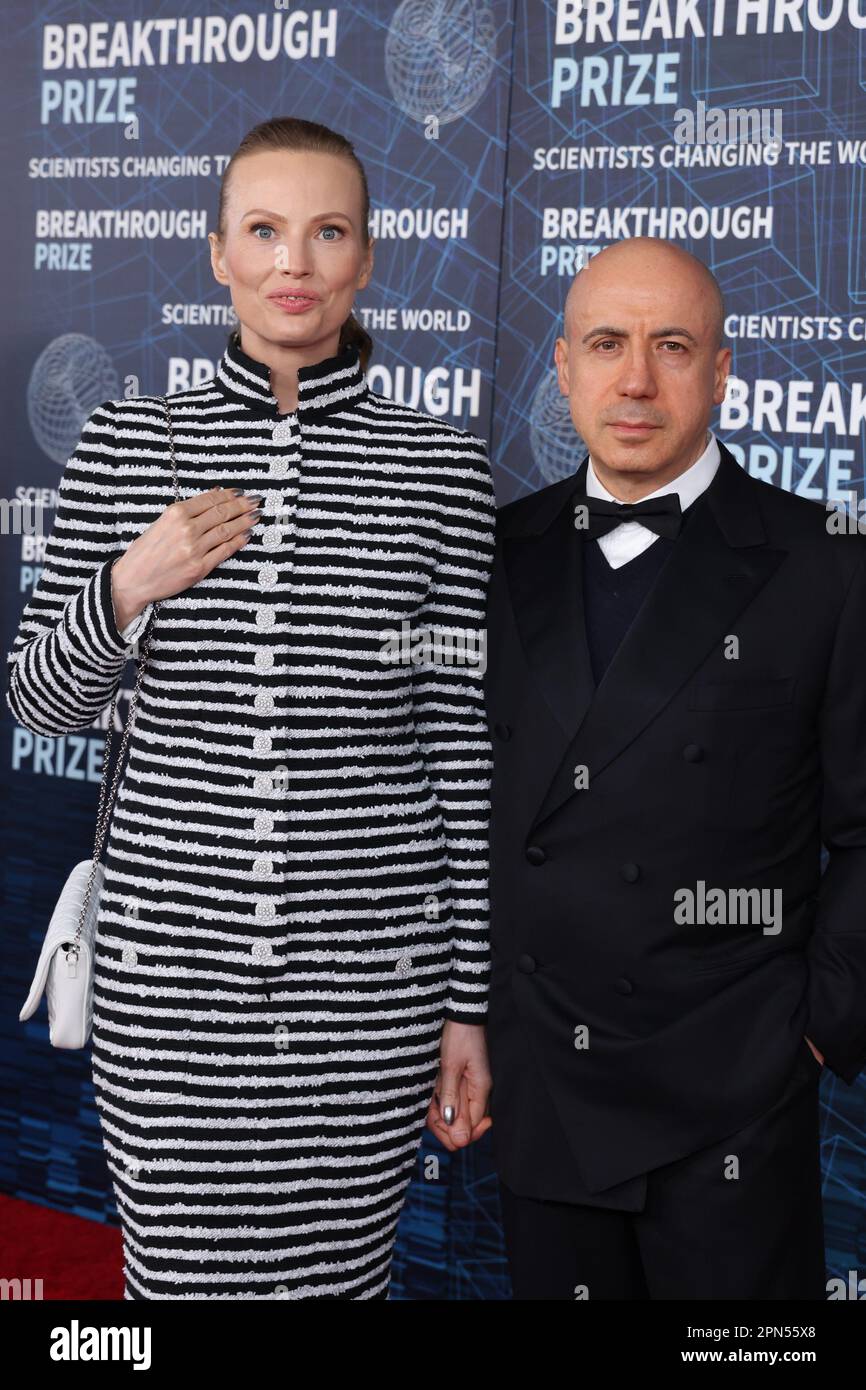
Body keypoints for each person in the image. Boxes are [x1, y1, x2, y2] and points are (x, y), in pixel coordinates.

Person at [7, 116, 494, 1300]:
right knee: (172, 1286)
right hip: (167, 995)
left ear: (366, 258)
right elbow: (40, 697)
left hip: (365, 998)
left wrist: (465, 1006)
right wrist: (131, 583)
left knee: (342, 1284)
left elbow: (458, 751)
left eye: (327, 233)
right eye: (265, 231)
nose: (295, 263)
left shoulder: (443, 472)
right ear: (217, 252)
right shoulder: (128, 441)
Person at [483, 236, 866, 1299]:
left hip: (730, 1094)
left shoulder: (827, 564)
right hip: (546, 1087)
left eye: (672, 346)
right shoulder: (500, 552)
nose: (636, 379)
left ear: (722, 370)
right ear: (559, 367)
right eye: (605, 344)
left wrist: (815, 1026)